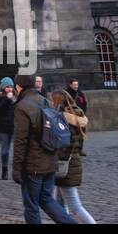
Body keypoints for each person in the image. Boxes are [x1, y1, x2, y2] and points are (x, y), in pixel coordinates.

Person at [10, 74, 76, 225]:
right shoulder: (46, 101)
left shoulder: (22, 106)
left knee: (31, 204)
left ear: (20, 86)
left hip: (33, 165)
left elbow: (21, 140)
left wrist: (16, 168)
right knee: (46, 198)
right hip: (50, 161)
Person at [50, 89, 95, 224]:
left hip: (65, 164)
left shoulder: (62, 120)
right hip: (73, 160)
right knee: (58, 203)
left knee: (75, 206)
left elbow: (61, 144)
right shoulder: (77, 115)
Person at [0, 76, 17, 180]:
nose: (9, 89)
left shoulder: (15, 96)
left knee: (16, 149)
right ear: (3, 87)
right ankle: (4, 170)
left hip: (13, 126)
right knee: (5, 150)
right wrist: (7, 99)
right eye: (7, 87)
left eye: (11, 87)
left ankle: (16, 170)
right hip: (3, 127)